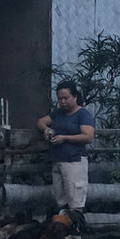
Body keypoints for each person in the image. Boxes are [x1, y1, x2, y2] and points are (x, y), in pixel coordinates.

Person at [36, 82, 95, 215]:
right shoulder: (57, 113)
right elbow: (40, 122)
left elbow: (88, 137)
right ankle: (62, 224)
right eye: (60, 98)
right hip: (57, 160)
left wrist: (65, 138)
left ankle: (75, 226)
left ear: (75, 97)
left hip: (74, 161)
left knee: (75, 201)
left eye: (66, 98)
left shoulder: (83, 115)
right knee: (60, 200)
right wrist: (46, 129)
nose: (62, 102)